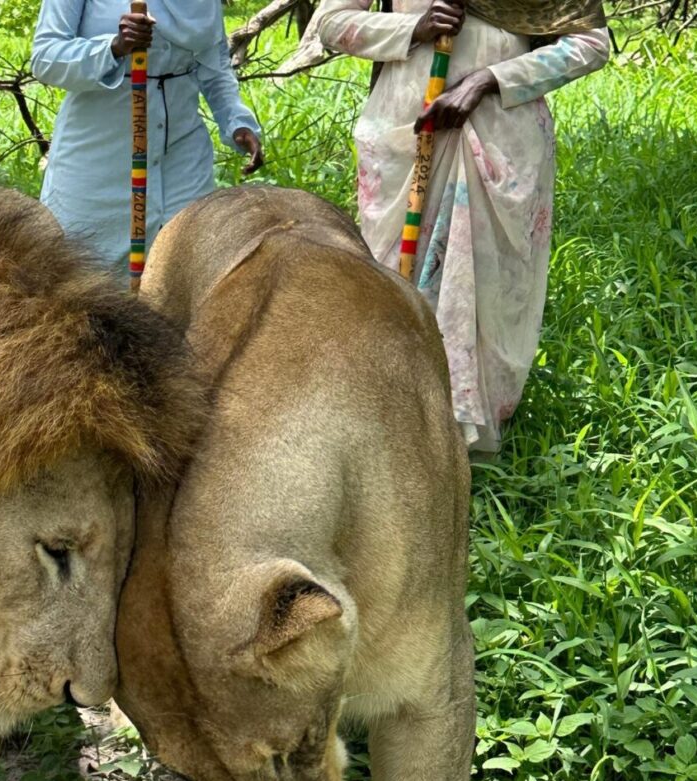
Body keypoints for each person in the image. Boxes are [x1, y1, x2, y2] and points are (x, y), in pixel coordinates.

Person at [304, 0, 609, 453]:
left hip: (501, 140)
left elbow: (591, 43)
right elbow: (330, 24)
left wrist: (492, 80)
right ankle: (392, 426)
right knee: (391, 287)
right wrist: (415, 26)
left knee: (487, 288)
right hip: (406, 134)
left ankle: (469, 442)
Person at [32, 0, 264, 273]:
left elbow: (214, 66)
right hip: (98, 158)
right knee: (87, 277)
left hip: (183, 156)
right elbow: (45, 59)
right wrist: (115, 47)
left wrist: (236, 121)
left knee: (184, 270)